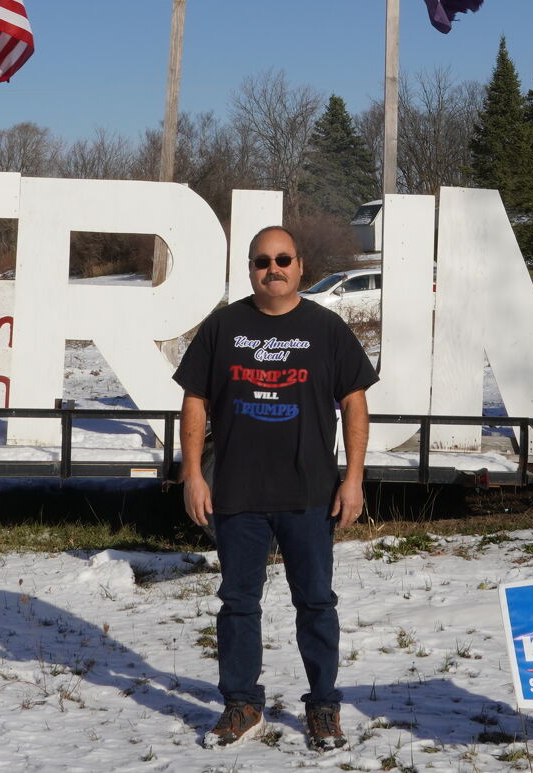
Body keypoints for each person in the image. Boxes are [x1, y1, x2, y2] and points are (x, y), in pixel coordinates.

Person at [175, 225, 377, 751]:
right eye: (262, 261)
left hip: (309, 494)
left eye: (283, 259)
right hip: (236, 494)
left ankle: (324, 706)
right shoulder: (223, 327)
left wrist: (354, 478)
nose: (273, 269)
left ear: (300, 265)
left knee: (316, 603)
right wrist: (193, 474)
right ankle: (242, 704)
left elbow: (354, 403)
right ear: (250, 269)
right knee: (238, 604)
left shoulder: (326, 328)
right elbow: (194, 400)